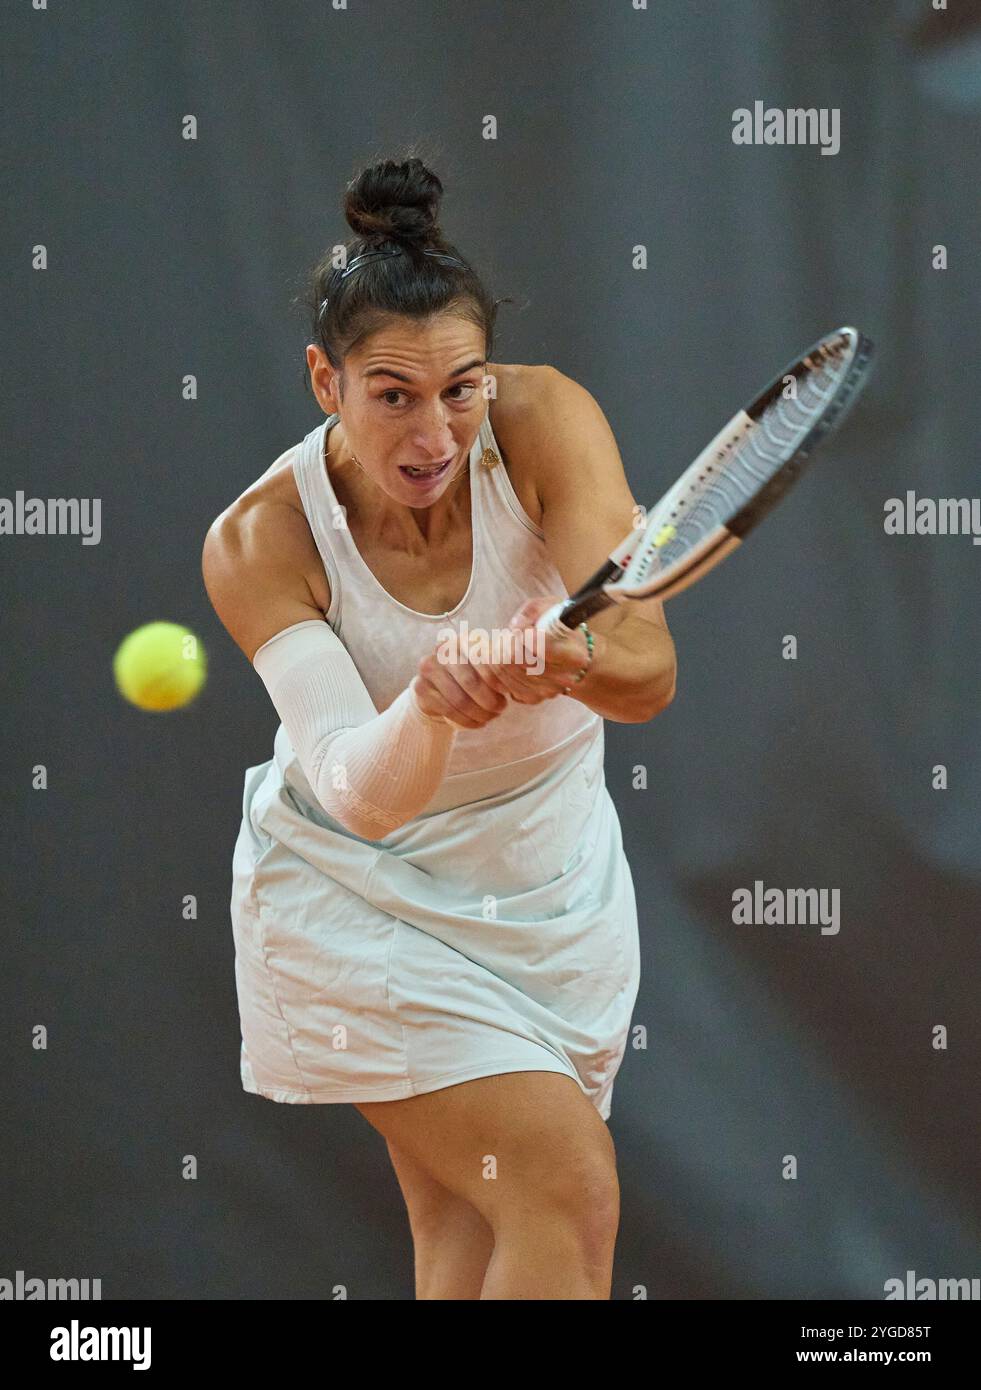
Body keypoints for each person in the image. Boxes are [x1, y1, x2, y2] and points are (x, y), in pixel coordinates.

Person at [202, 154, 677, 1300]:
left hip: (550, 887)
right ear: (327, 380)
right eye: (393, 394)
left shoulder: (549, 419)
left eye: (461, 388)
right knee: (565, 1188)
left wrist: (570, 660)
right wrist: (427, 702)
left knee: (467, 1230)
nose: (435, 431)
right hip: (351, 895)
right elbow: (358, 789)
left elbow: (647, 670)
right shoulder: (259, 541)